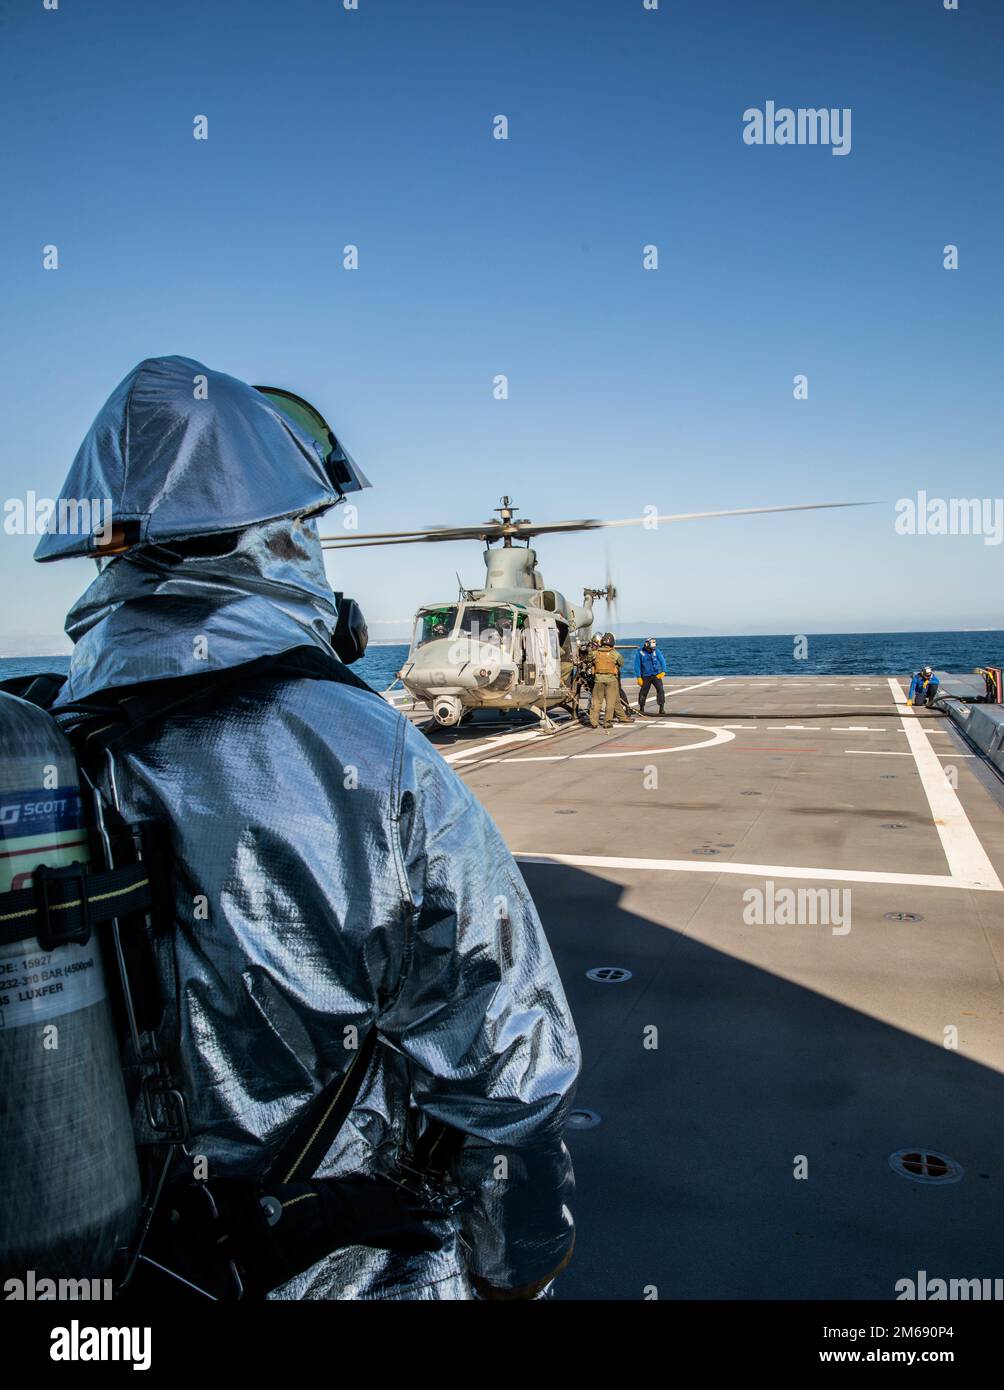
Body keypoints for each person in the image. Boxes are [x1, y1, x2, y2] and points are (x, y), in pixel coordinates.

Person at [35, 356, 580, 1301]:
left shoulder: (48, 749)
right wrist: (513, 1257)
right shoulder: (374, 754)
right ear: (279, 536)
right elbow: (508, 1052)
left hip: (125, 1278)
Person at [588, 632, 623, 730]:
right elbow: (621, 662)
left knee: (596, 702)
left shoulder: (596, 653)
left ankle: (594, 722)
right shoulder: (614, 653)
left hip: (598, 680)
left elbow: (589, 658)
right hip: (611, 680)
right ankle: (607, 723)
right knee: (610, 703)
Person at [634, 637, 667, 716]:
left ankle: (661, 708)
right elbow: (637, 665)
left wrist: (663, 671)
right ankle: (642, 708)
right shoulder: (640, 652)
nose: (652, 649)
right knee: (643, 692)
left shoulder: (656, 651)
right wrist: (638, 677)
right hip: (645, 676)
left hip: (656, 675)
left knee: (661, 690)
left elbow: (662, 661)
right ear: (646, 644)